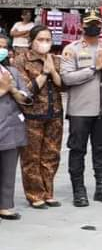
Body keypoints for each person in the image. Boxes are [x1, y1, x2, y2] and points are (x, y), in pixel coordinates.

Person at [60, 10, 102, 207]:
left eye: (96, 24)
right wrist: (94, 68)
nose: (93, 27)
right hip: (80, 110)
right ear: (82, 26)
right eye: (89, 24)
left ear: (101, 27)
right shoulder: (72, 49)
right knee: (77, 150)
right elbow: (66, 78)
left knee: (101, 150)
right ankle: (79, 190)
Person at [13, 25, 64, 209]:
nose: (44, 43)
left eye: (48, 40)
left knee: (51, 155)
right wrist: (44, 73)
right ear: (31, 41)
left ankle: (48, 192)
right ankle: (35, 195)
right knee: (31, 157)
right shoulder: (20, 61)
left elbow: (63, 86)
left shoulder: (55, 59)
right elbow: (26, 91)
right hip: (32, 115)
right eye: (40, 40)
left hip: (54, 114)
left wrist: (53, 70)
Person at [0, 50, 31, 223]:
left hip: (11, 126)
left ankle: (5, 205)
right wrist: (3, 88)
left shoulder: (11, 72)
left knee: (9, 168)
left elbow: (26, 97)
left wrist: (12, 89)